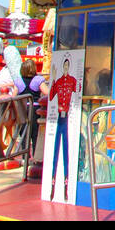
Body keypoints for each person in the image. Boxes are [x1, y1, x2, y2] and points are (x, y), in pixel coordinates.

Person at [47, 56, 79, 200]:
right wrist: (53, 78)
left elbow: (77, 92)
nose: (65, 69)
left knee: (66, 150)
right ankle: (52, 185)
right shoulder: (59, 82)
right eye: (64, 66)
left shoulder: (72, 80)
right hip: (59, 116)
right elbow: (51, 96)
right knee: (55, 152)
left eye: (67, 66)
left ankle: (66, 186)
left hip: (68, 117)